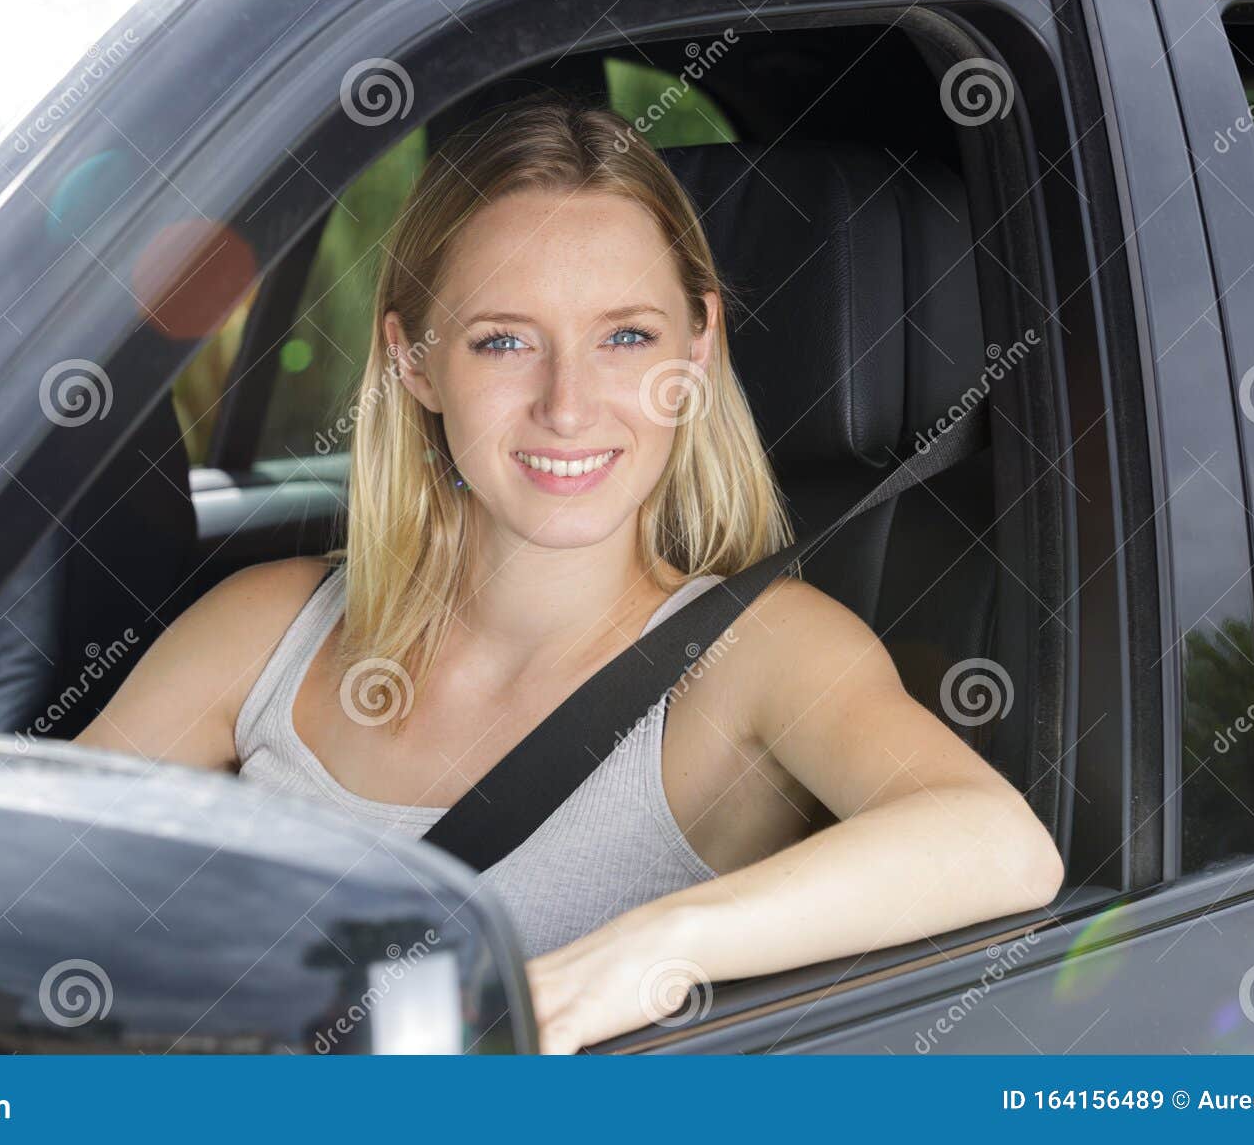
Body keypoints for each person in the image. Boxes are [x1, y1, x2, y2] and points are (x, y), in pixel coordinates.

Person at [75, 96, 1064, 1054]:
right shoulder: (264, 628)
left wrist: (645, 950)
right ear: (413, 363)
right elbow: (6, 888)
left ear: (699, 342)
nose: (567, 404)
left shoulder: (758, 653)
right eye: (503, 340)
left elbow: (994, 840)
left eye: (624, 335)